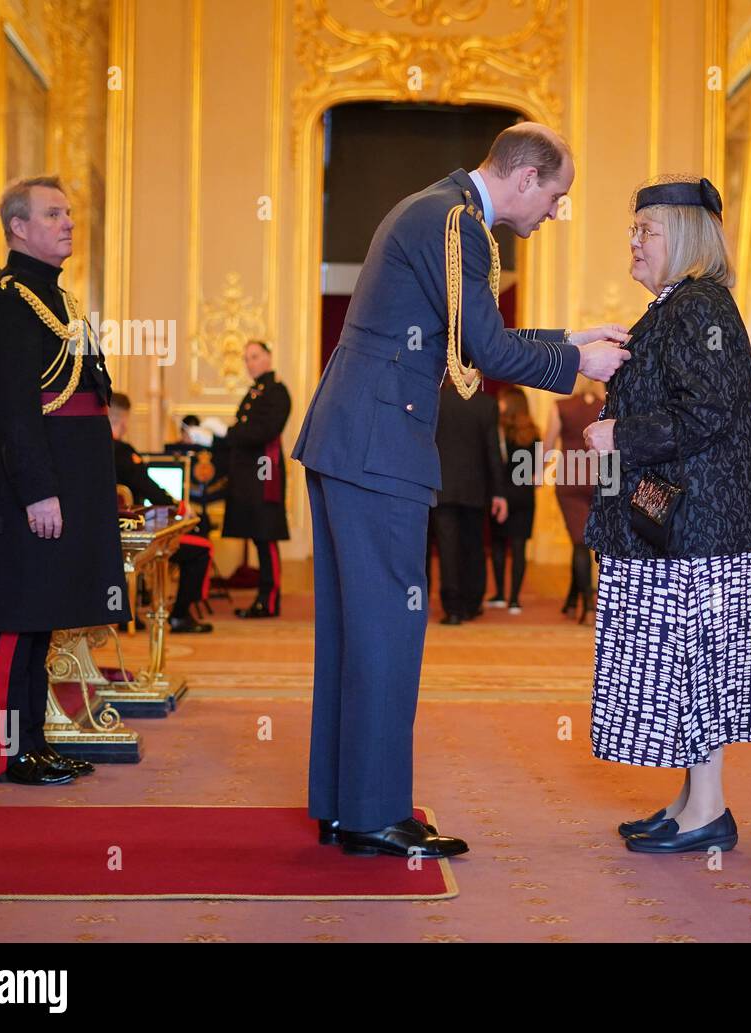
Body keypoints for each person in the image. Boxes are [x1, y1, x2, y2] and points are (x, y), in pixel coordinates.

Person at [292, 122, 631, 858]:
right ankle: (373, 814)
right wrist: (581, 359)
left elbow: (476, 334)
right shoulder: (461, 227)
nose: (553, 213)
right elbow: (490, 347)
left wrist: (574, 336)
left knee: (356, 630)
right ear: (524, 178)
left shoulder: (443, 210)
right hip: (379, 443)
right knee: (385, 628)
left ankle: (348, 805)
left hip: (357, 436)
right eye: (557, 196)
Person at [583, 175, 751, 854]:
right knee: (690, 665)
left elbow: (709, 411)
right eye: (632, 229)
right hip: (687, 524)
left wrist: (619, 434)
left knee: (698, 665)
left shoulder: (700, 307)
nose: (633, 244)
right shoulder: (681, 306)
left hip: (702, 528)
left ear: (688, 238)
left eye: (647, 230)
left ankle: (709, 810)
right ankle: (693, 800)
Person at [0, 175, 128, 783]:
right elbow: (15, 408)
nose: (68, 223)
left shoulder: (59, 299)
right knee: (17, 621)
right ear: (19, 227)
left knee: (44, 617)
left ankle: (32, 742)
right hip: (32, 488)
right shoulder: (10, 300)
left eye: (68, 213)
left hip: (72, 481)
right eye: (53, 214)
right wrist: (39, 489)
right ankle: (2, 751)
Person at [108, 393, 214, 634]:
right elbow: (150, 491)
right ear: (123, 421)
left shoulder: (88, 451)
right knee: (200, 550)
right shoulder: (124, 454)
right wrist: (177, 507)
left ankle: (124, 612)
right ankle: (180, 616)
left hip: (96, 534)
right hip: (131, 540)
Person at [220, 339, 290, 619]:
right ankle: (263, 598)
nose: (250, 363)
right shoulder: (256, 391)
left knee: (266, 536)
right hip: (251, 475)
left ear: (269, 357)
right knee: (258, 535)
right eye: (247, 358)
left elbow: (262, 431)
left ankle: (269, 600)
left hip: (265, 474)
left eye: (255, 356)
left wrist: (225, 434)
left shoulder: (276, 391)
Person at [430, 378, 505, 624]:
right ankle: (472, 603)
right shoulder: (486, 404)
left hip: (441, 488)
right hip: (475, 489)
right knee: (474, 546)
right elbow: (493, 451)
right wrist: (498, 493)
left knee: (447, 548)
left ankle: (452, 608)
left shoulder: (436, 400)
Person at [544, 377, 603, 622]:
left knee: (579, 542)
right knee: (591, 542)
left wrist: (538, 471)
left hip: (570, 479)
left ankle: (588, 606)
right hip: (603, 480)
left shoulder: (561, 407)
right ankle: (572, 600)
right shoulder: (606, 406)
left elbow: (548, 445)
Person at [488, 386, 538, 614]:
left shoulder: (500, 431)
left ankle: (499, 594)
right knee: (519, 548)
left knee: (499, 545)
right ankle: (515, 600)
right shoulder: (534, 433)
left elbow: (496, 465)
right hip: (525, 495)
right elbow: (536, 470)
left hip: (503, 493)